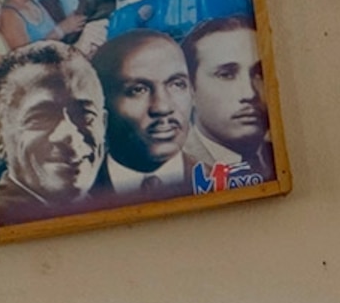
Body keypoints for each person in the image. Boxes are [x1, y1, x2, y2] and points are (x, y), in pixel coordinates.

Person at [0, 39, 108, 221]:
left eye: (85, 115)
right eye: (42, 118)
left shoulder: (110, 208)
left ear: (103, 125)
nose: (69, 134)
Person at [92, 30, 194, 202]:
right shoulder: (72, 201)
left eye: (177, 84)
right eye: (138, 90)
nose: (162, 107)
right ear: (100, 103)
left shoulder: (219, 179)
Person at [182, 15, 272, 185]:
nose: (249, 93)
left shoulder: (278, 158)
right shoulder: (170, 174)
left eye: (259, 74)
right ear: (189, 89)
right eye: (226, 75)